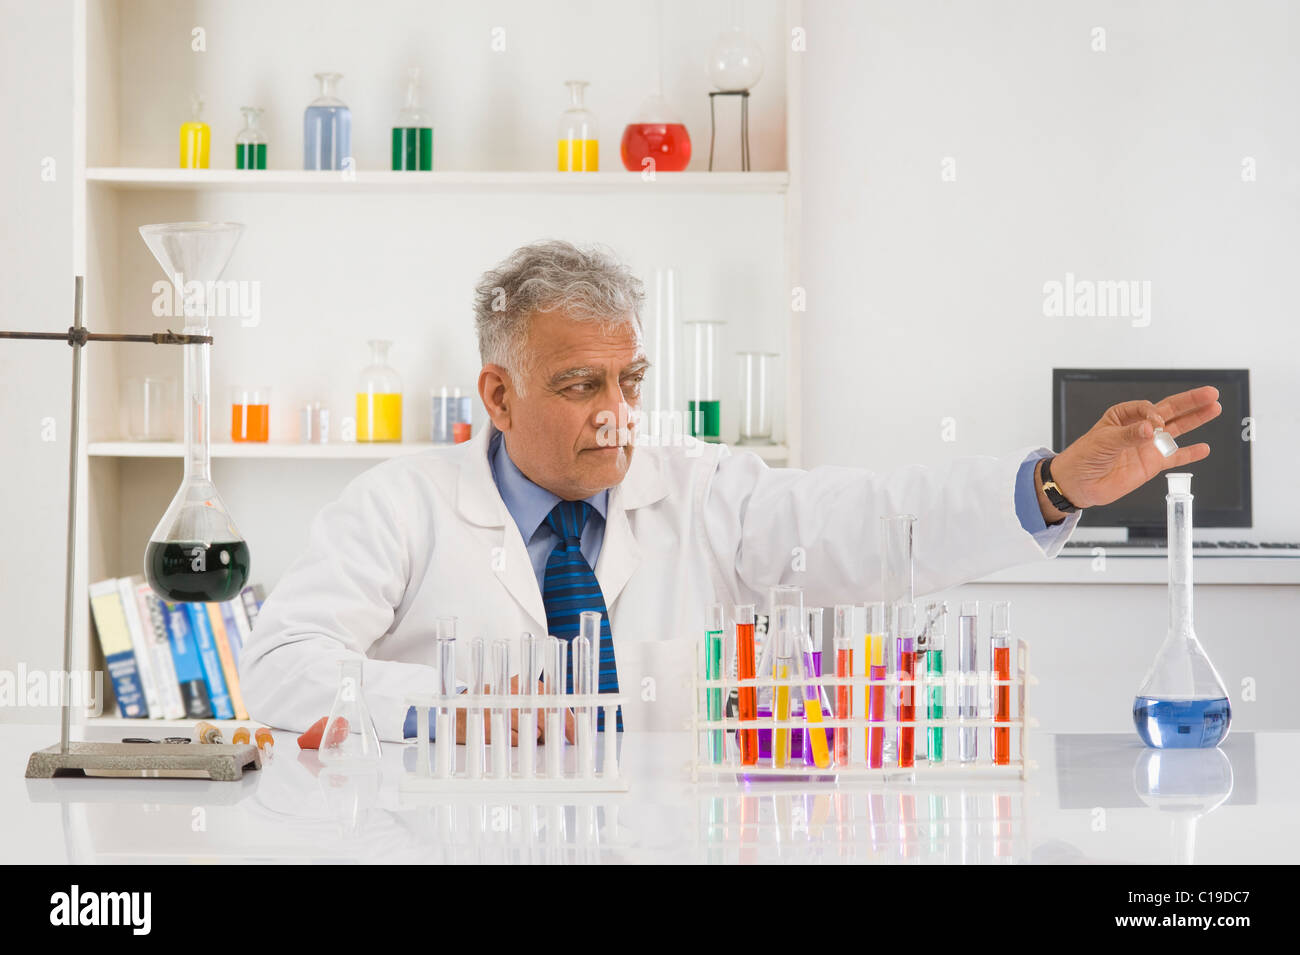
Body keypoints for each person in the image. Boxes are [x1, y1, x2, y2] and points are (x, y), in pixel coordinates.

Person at [240, 240, 1222, 742]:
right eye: (582, 385)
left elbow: (874, 527)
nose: (617, 412)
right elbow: (284, 667)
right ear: (497, 393)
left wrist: (1050, 485)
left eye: (632, 381)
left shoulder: (703, 490)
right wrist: (476, 705)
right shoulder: (399, 503)